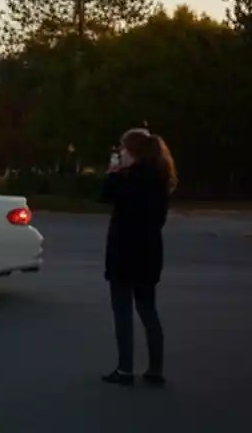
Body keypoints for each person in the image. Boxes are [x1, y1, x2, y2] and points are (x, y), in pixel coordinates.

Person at [101, 128, 176, 387]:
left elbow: (105, 196)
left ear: (133, 152)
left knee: (122, 312)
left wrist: (113, 172)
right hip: (149, 252)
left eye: (123, 149)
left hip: (124, 253)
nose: (120, 154)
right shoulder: (160, 179)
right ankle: (155, 369)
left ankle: (125, 369)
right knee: (148, 310)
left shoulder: (127, 179)